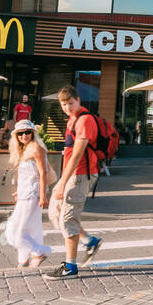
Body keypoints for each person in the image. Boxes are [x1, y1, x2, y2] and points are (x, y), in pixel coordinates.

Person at [44, 86, 102, 280]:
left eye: (71, 103)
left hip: (80, 175)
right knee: (56, 212)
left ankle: (70, 266)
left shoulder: (84, 120)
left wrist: (62, 182)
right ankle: (89, 240)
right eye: (64, 104)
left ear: (78, 101)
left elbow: (77, 155)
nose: (67, 107)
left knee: (68, 218)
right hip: (72, 174)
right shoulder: (73, 120)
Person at [2, 120, 51, 268]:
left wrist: (43, 195)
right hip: (25, 192)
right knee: (31, 228)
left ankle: (39, 252)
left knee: (14, 231)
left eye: (27, 132)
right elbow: (26, 174)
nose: (24, 135)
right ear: (16, 136)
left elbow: (43, 173)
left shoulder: (36, 148)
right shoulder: (23, 149)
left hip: (32, 192)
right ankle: (23, 261)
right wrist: (18, 190)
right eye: (20, 133)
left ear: (32, 133)